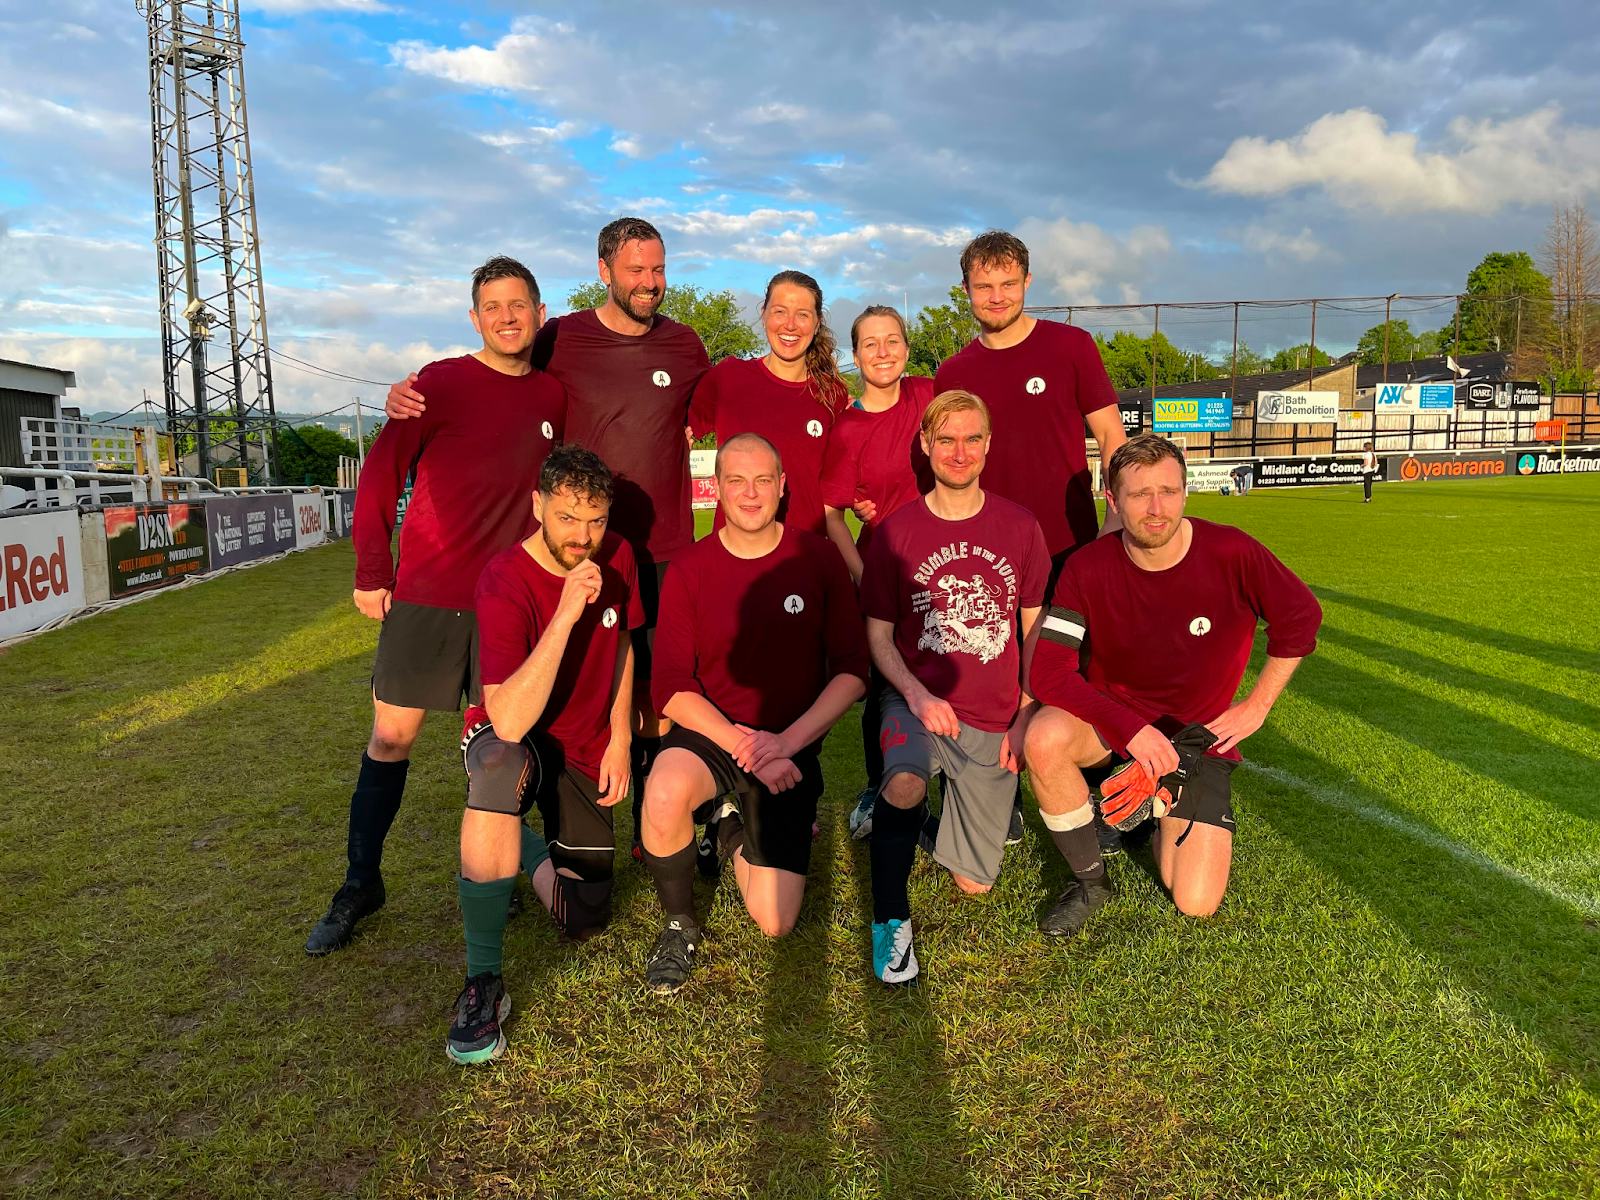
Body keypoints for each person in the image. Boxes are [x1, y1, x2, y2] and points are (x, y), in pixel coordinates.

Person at [385, 218, 710, 857]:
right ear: (604, 271)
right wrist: (412, 391)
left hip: (663, 554)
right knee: (567, 687)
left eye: (659, 269)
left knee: (658, 702)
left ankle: (663, 826)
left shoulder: (686, 346)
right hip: (577, 549)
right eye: (636, 270)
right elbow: (499, 370)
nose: (650, 283)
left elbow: (729, 409)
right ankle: (521, 808)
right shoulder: (562, 337)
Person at [304, 257, 566, 957]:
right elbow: (381, 475)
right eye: (493, 306)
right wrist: (371, 569)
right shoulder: (437, 385)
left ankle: (498, 866)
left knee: (501, 748)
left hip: (509, 602)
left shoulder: (553, 396)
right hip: (428, 594)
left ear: (540, 315)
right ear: (475, 318)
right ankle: (361, 882)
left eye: (520, 305)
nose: (508, 317)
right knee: (391, 739)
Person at [1025, 433, 1322, 931]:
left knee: (1196, 901)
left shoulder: (1233, 553)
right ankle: (1091, 882)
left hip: (1194, 741)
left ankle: (1151, 807)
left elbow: (1301, 618)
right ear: (1112, 500)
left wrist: (1257, 706)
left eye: (1168, 491)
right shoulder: (1086, 567)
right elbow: (1049, 671)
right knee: (1044, 736)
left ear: (1186, 492)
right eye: (1139, 494)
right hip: (1113, 727)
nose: (1156, 507)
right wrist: (1132, 731)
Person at [639, 433, 869, 994]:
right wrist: (743, 746)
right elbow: (670, 687)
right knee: (665, 789)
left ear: (783, 486)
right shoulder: (691, 567)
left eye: (763, 480)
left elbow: (853, 670)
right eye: (736, 481)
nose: (750, 493)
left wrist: (786, 743)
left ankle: (727, 826)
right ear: (715, 489)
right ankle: (679, 923)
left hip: (789, 745)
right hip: (713, 736)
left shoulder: (816, 558)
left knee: (775, 922)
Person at [933, 230, 1128, 849]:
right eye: (983, 286)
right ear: (966, 290)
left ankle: (1109, 788)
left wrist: (1114, 526)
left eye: (1007, 283)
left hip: (1072, 546)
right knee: (991, 669)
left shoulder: (1070, 346)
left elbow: (1112, 439)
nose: (995, 296)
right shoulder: (956, 370)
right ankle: (996, 789)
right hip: (992, 553)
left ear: (1027, 283)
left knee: (1080, 674)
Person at [447, 446, 640, 1064]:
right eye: (566, 518)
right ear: (537, 507)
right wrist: (562, 612)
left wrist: (619, 736)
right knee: (499, 769)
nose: (583, 537)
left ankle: (523, 851)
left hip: (584, 745)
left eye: (596, 520)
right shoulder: (504, 577)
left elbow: (624, 644)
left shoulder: (620, 556)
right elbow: (508, 717)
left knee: (582, 918)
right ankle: (484, 981)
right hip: (513, 737)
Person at [858, 390, 1050, 984]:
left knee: (975, 883)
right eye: (946, 439)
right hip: (918, 701)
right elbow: (880, 639)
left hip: (992, 718)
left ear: (988, 445)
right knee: (907, 782)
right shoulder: (896, 533)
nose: (959, 452)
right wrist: (916, 695)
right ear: (926, 446)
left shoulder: (1020, 526)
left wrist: (1023, 712)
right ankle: (891, 923)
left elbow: (1033, 628)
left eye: (971, 438)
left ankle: (932, 821)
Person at [820, 306, 936, 840]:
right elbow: (832, 512)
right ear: (856, 354)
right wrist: (865, 576)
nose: (883, 351)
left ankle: (961, 788)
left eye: (893, 340)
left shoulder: (929, 395)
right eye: (871, 343)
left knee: (950, 674)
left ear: (908, 348)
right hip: (884, 572)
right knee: (886, 681)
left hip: (947, 563)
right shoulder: (848, 426)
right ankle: (877, 784)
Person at [688, 270, 848, 537]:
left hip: (806, 554)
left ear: (817, 322)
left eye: (803, 315)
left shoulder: (833, 394)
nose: (790, 325)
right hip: (736, 555)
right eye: (780, 311)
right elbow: (679, 439)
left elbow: (843, 476)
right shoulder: (728, 377)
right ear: (764, 314)